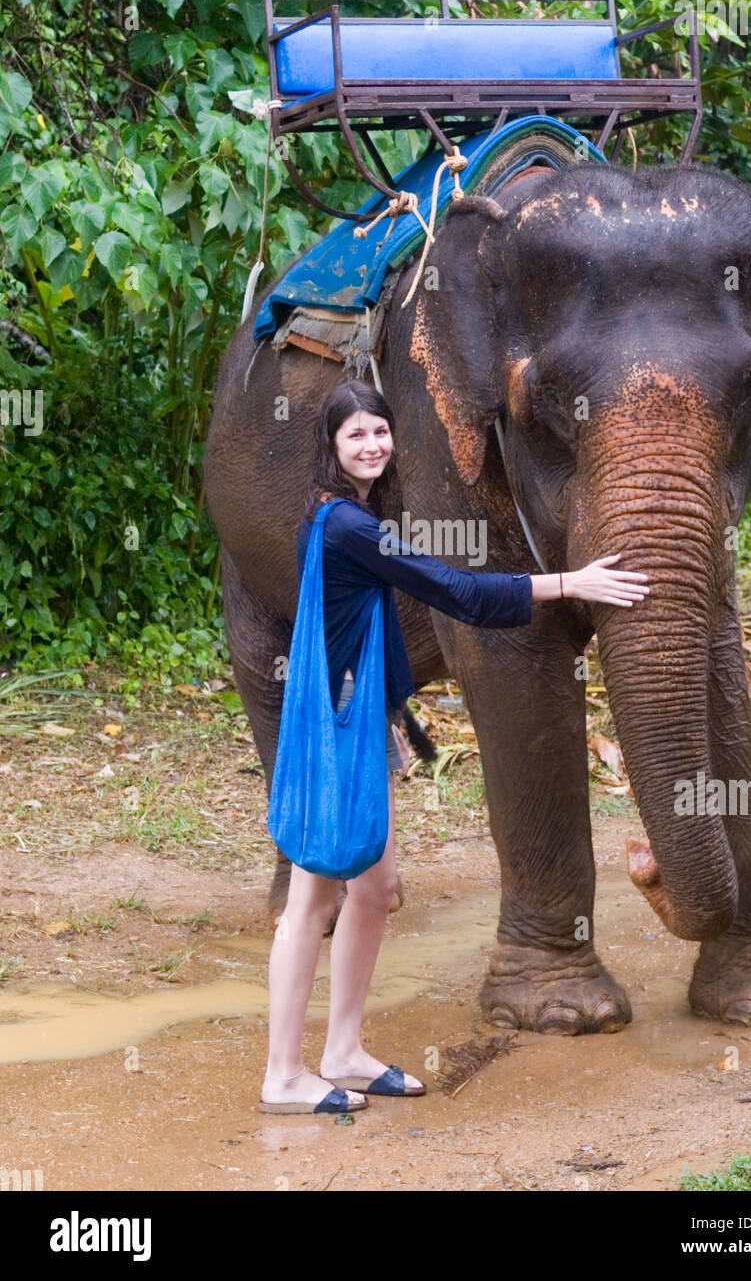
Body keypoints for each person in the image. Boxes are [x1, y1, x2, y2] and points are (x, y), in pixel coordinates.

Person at [259, 380, 650, 1113]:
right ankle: (282, 1074)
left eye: (381, 430)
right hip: (333, 733)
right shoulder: (346, 525)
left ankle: (341, 1050)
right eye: (356, 436)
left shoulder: (346, 516)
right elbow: (455, 591)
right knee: (311, 902)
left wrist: (389, 721)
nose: (372, 445)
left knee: (373, 892)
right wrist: (571, 581)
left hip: (356, 722)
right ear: (332, 446)